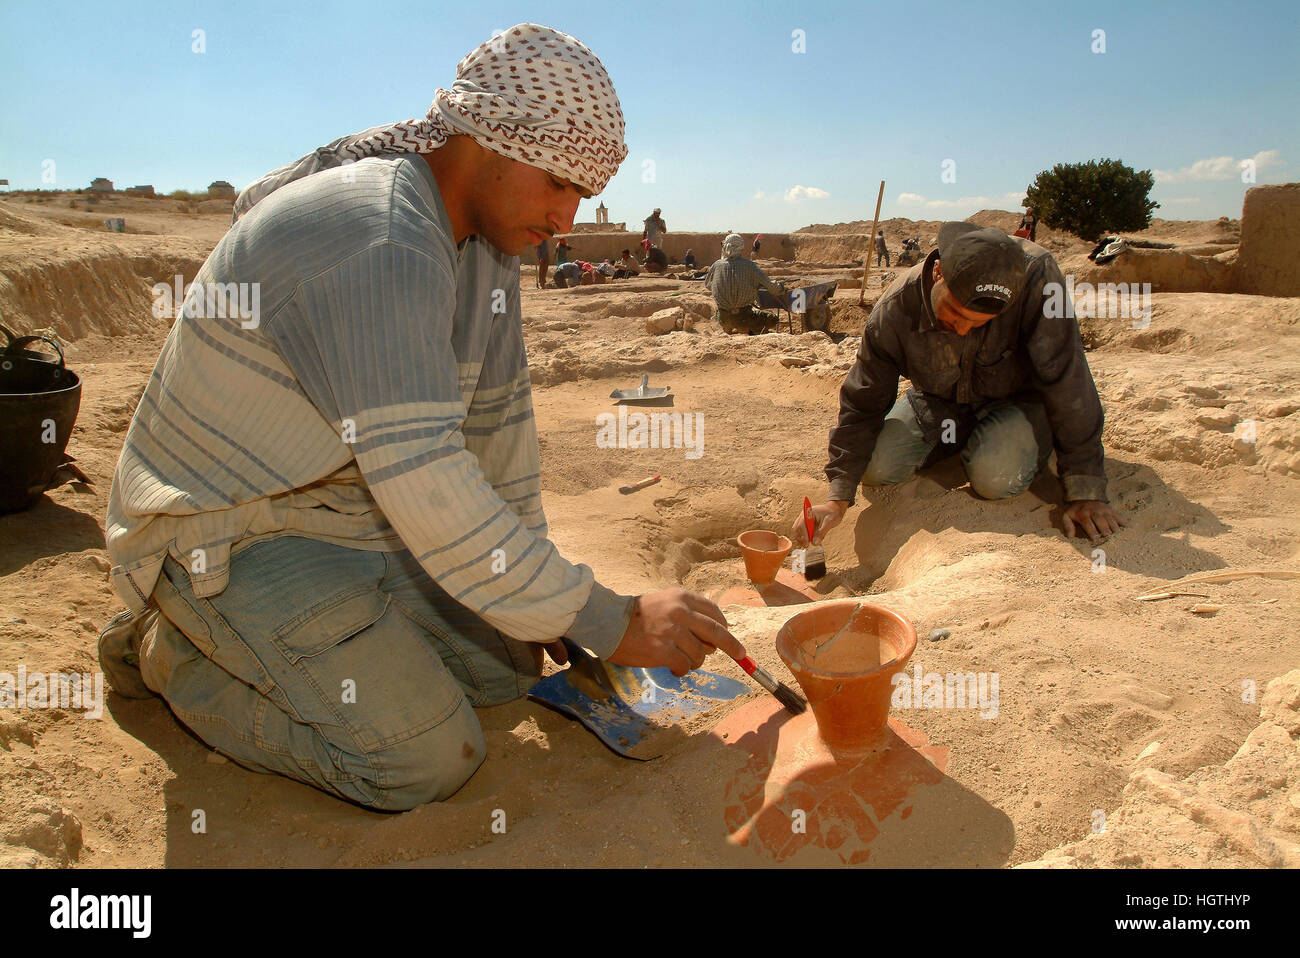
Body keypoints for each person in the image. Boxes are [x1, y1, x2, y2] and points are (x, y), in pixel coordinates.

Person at [98, 23, 745, 812]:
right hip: (234, 529)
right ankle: (171, 652)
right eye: (557, 183)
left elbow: (498, 439)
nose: (568, 218)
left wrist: (553, 598)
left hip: (347, 514)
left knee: (507, 668)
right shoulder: (378, 234)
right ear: (489, 143)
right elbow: (428, 475)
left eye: (582, 192)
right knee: (426, 758)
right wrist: (607, 617)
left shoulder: (487, 254)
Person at [796, 222, 1125, 552]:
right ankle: (970, 440)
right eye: (954, 313)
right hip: (940, 401)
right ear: (937, 272)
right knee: (875, 467)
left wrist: (1086, 489)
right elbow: (863, 399)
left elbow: (1068, 380)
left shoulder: (1038, 279)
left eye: (979, 324)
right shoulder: (896, 307)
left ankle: (1027, 440)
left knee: (994, 478)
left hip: (1018, 401)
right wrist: (838, 497)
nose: (964, 329)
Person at [705, 232, 786, 334]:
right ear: (741, 248)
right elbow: (772, 287)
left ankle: (730, 329)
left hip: (723, 317)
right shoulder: (750, 266)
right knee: (772, 318)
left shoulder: (716, 265)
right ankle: (750, 331)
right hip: (744, 317)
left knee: (725, 318)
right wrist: (782, 288)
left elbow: (708, 285)